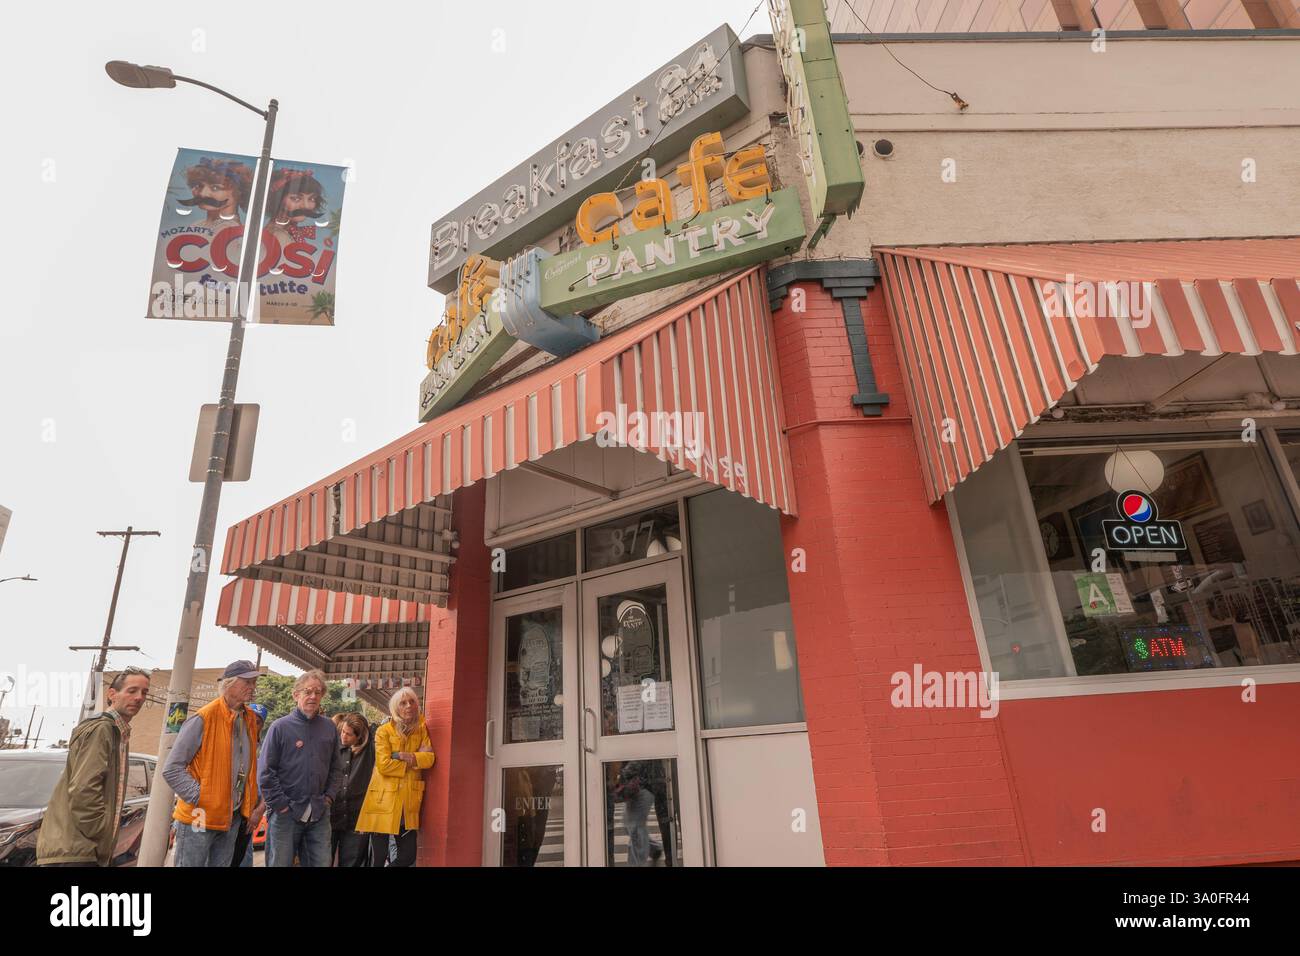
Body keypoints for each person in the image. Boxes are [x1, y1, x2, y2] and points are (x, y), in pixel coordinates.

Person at [37, 667, 150, 867]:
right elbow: (83, 789)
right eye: (132, 691)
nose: (139, 698)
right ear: (112, 694)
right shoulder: (102, 729)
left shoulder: (118, 733)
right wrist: (101, 831)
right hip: (75, 852)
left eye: (144, 692)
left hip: (82, 851)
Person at [163, 660, 263, 867]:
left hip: (232, 818)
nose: (252, 688)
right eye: (247, 682)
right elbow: (172, 769)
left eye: (254, 682)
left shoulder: (251, 719)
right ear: (229, 683)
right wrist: (203, 796)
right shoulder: (203, 718)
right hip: (199, 817)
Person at [257, 670, 343, 867]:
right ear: (296, 695)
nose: (313, 696)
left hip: (320, 812)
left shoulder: (329, 727)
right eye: (308, 691)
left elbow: (336, 768)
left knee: (321, 863)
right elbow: (265, 772)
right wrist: (281, 804)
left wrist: (328, 797)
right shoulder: (279, 727)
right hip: (285, 813)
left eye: (318, 692)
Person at [355, 687, 434, 867]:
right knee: (379, 858)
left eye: (412, 701)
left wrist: (404, 755)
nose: (409, 706)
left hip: (408, 802)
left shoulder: (422, 728)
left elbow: (429, 759)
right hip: (382, 801)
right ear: (395, 708)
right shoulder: (383, 731)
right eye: (403, 703)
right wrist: (415, 759)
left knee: (408, 856)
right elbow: (384, 765)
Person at [330, 713, 375, 867]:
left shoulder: (369, 750)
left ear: (360, 737)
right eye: (343, 731)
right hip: (330, 816)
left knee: (352, 864)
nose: (344, 736)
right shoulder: (333, 747)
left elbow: (376, 731)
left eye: (349, 734)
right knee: (322, 861)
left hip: (357, 820)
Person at [229, 701, 269, 868]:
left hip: (248, 815)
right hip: (227, 812)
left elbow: (272, 784)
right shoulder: (229, 742)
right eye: (248, 718)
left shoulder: (265, 749)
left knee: (242, 858)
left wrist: (259, 811)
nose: (252, 723)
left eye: (257, 721)